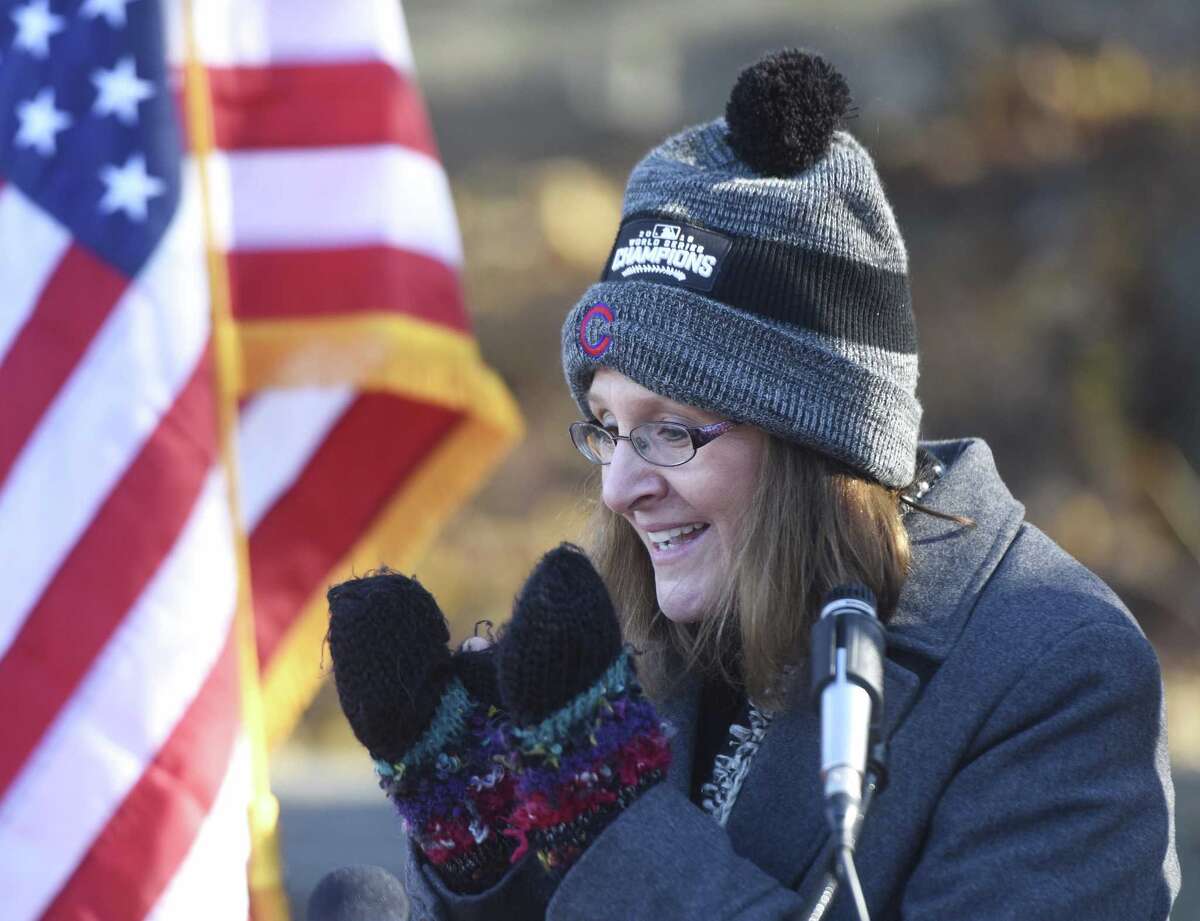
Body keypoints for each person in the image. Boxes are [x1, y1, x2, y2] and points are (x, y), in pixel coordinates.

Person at [318, 49, 1180, 920]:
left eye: (669, 429)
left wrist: (606, 826)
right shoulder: (644, 633)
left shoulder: (1057, 673)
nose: (619, 487)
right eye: (608, 427)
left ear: (815, 438)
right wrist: (487, 851)